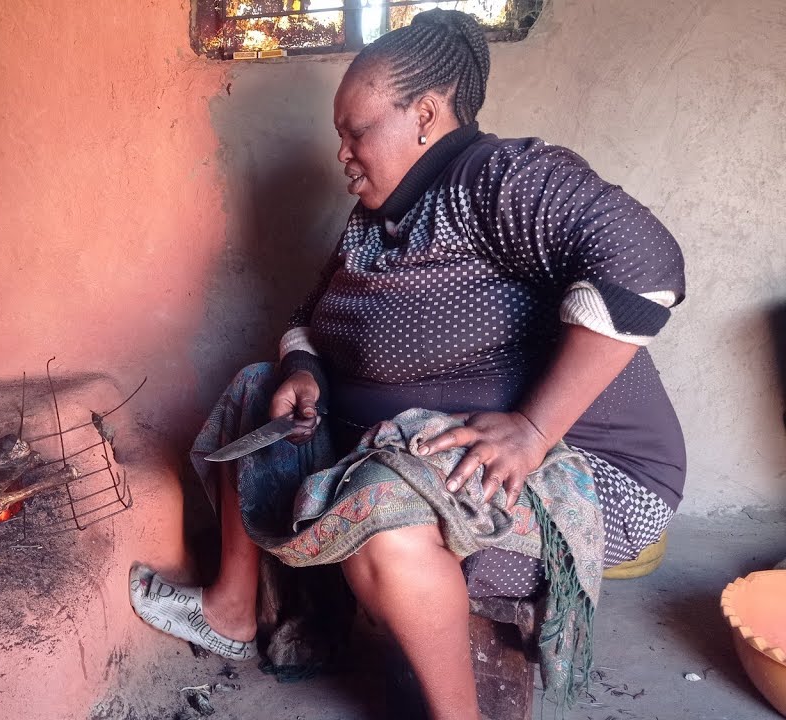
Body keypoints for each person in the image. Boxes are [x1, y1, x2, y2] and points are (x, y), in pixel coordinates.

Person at [130, 8, 686, 720]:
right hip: (426, 447)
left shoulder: (502, 180)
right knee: (259, 390)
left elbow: (646, 265)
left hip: (582, 468)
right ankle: (230, 612)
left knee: (381, 509)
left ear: (425, 114)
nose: (343, 155)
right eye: (340, 136)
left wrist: (532, 427)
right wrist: (306, 374)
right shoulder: (375, 220)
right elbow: (308, 317)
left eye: (356, 132)